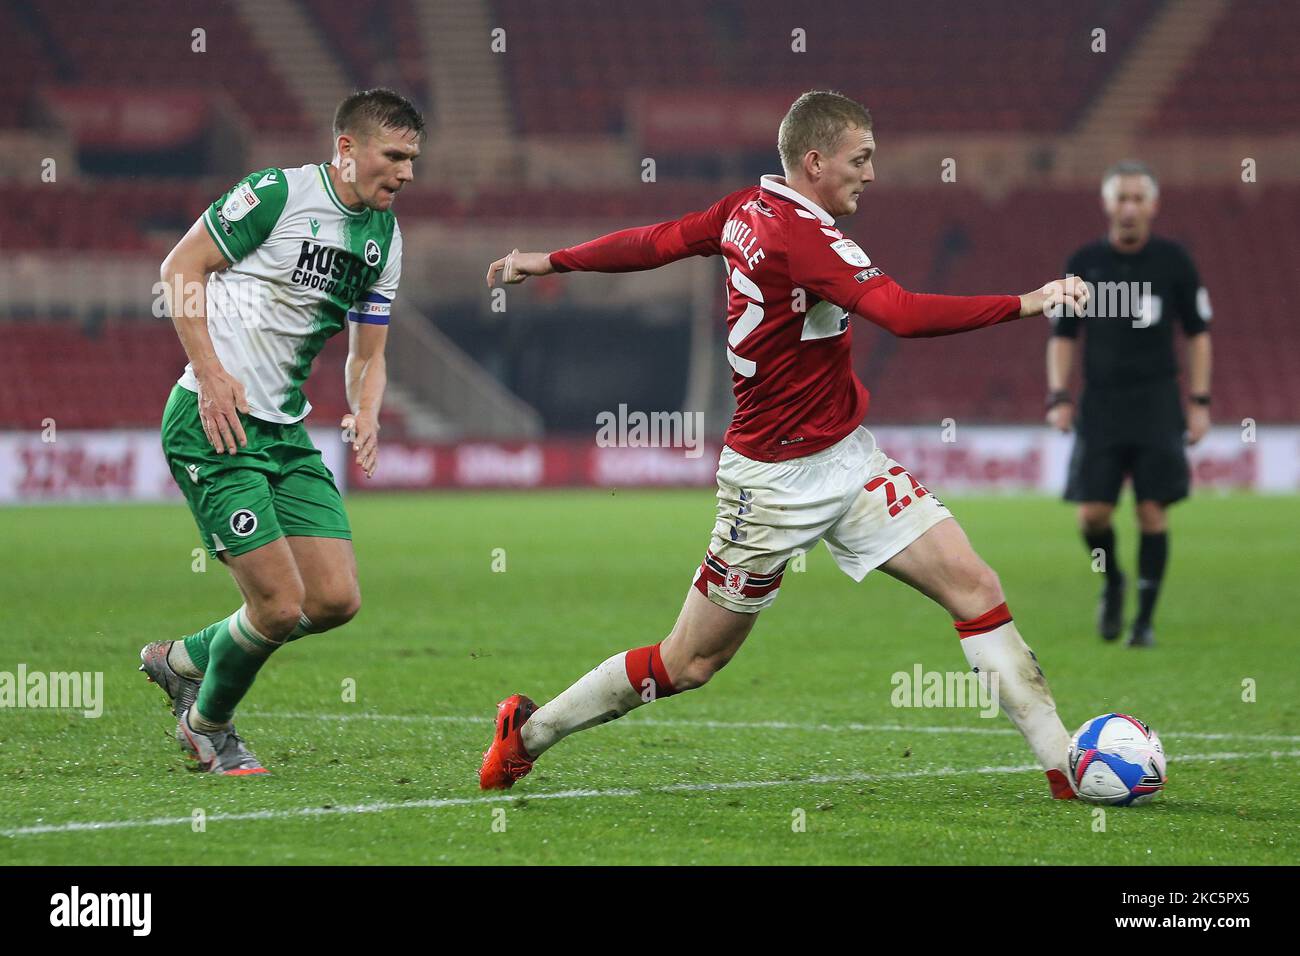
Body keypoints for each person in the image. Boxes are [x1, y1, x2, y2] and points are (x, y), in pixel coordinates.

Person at [480, 90, 1089, 798]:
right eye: (860, 160)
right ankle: (528, 733)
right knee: (689, 663)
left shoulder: (743, 209)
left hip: (849, 461)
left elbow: (655, 242)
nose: (870, 173)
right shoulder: (805, 238)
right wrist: (1029, 302)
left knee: (975, 585)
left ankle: (1064, 766)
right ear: (814, 160)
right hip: (770, 484)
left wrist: (547, 260)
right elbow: (903, 315)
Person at [140, 89, 422, 773]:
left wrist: (367, 409)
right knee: (275, 606)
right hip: (218, 422)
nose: (407, 172)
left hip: (287, 434)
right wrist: (209, 373)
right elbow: (180, 269)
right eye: (394, 156)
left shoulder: (385, 239)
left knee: (333, 600)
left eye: (414, 159)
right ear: (347, 148)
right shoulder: (275, 194)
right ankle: (207, 726)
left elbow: (368, 355)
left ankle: (183, 659)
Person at [1047, 160, 1212, 648]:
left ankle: (1144, 620)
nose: (1130, 207)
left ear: (1153, 206)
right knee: (1092, 515)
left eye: (1139, 198)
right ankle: (1114, 581)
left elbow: (1199, 334)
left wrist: (1199, 401)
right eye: (1122, 198)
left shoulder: (1174, 262)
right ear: (1107, 204)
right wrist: (1059, 395)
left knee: (1152, 513)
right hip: (1101, 404)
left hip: (1158, 402)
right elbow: (1063, 334)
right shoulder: (1084, 263)